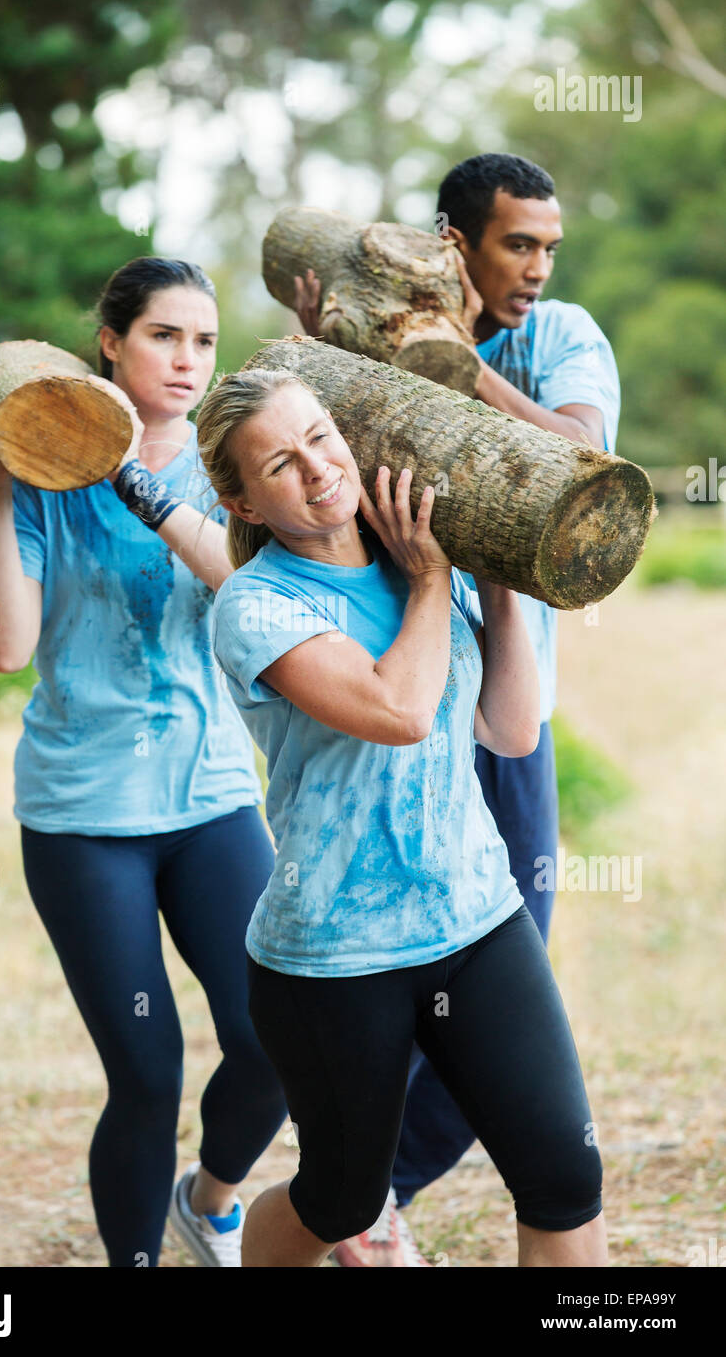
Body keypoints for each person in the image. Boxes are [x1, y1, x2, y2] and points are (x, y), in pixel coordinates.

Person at [198, 366, 608, 1268]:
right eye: (279, 464)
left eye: (320, 438)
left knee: (565, 1186)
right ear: (247, 503)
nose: (315, 470)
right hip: (335, 951)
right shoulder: (257, 606)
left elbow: (505, 729)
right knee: (340, 1201)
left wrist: (494, 581)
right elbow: (399, 712)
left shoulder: (418, 560)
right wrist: (430, 580)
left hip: (475, 920)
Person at [294, 152, 621, 1265]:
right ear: (453, 242)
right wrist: (348, 338)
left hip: (507, 713)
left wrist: (458, 364)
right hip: (389, 701)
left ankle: (370, 1188)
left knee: (510, 956)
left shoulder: (560, 337)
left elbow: (582, 463)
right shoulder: (369, 325)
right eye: (513, 244)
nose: (532, 267)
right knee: (375, 972)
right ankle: (332, 1188)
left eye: (545, 246)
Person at [0, 257, 289, 1268]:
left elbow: (244, 587)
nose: (187, 360)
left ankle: (213, 1198)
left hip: (212, 801)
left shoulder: (225, 469)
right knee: (145, 1072)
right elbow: (4, 646)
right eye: (162, 336)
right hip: (83, 818)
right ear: (111, 342)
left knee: (280, 1035)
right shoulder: (43, 481)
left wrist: (135, 478)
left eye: (202, 339)